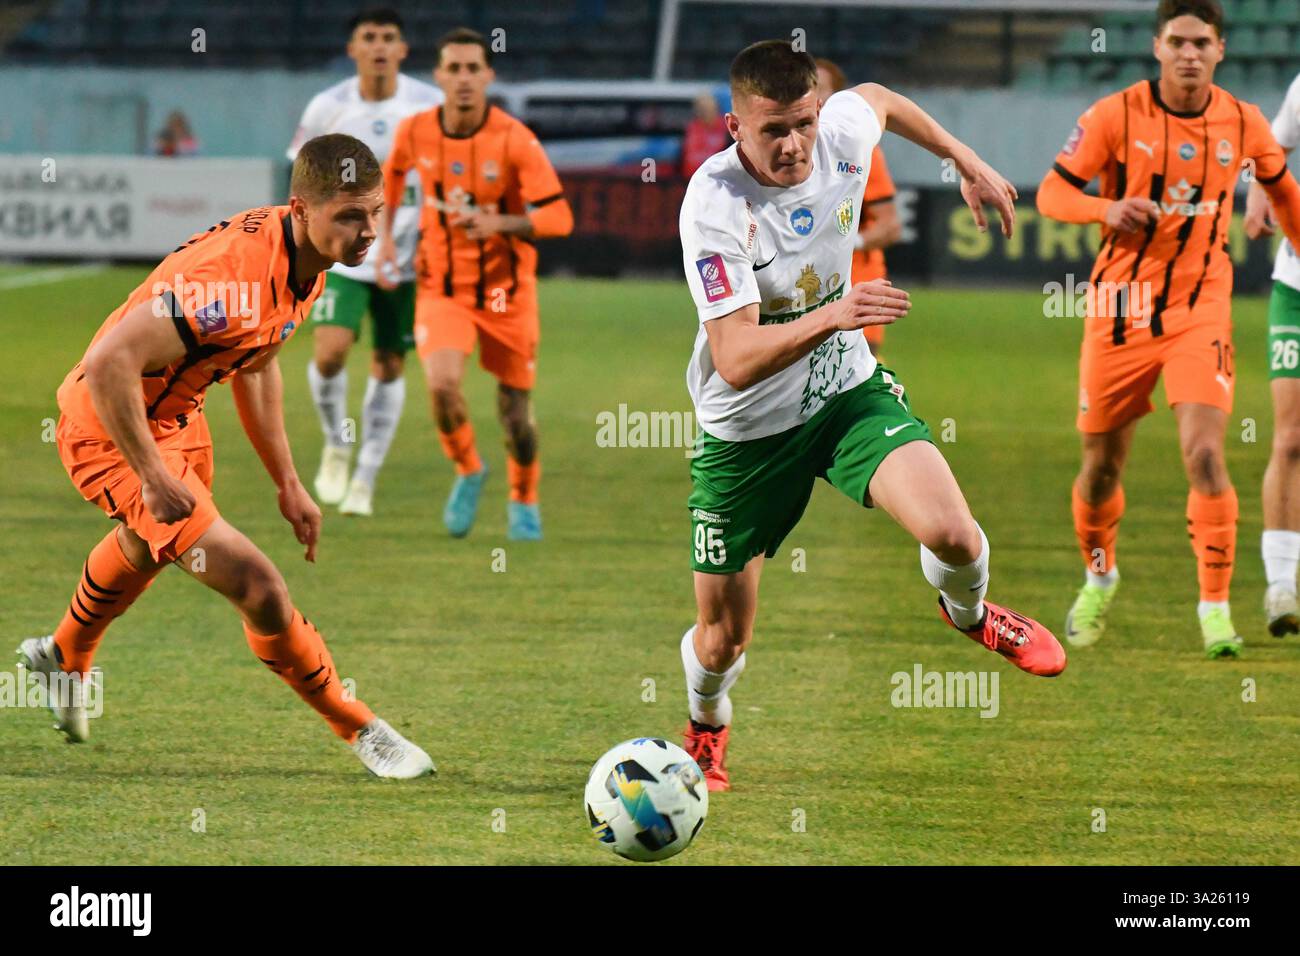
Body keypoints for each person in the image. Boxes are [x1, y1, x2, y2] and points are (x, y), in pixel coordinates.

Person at [677, 40, 1066, 792]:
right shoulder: (714, 204)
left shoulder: (843, 134)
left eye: (803, 124)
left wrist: (965, 159)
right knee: (723, 640)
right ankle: (706, 725)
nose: (793, 145)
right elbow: (733, 357)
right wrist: (838, 313)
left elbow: (882, 98)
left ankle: (972, 613)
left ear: (819, 111)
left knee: (956, 534)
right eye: (772, 131)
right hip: (747, 432)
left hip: (844, 394)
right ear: (735, 127)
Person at [19, 133, 434, 779]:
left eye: (375, 212)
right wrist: (153, 476)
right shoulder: (232, 280)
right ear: (301, 209)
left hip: (177, 421)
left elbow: (257, 365)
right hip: (109, 430)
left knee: (142, 548)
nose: (368, 231)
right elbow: (108, 363)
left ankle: (63, 657)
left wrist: (288, 483)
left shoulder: (303, 262)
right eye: (349, 215)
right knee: (259, 586)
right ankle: (361, 729)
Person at [1037, 0, 1300, 658]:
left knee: (1207, 454)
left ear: (1219, 51)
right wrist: (1105, 205)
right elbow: (1051, 193)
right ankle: (1100, 575)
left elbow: (1283, 189)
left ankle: (1215, 608)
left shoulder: (1244, 121)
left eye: (1201, 42)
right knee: (1101, 467)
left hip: (1200, 306)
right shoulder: (1113, 116)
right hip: (1119, 309)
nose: (1189, 53)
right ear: (1157, 47)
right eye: (1177, 41)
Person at [375, 27, 573, 540]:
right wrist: (388, 241)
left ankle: (523, 497)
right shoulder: (415, 131)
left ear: (489, 75)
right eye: (453, 69)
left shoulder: (513, 139)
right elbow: (391, 176)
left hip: (508, 294)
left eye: (472, 69)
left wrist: (502, 224)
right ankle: (468, 469)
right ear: (438, 76)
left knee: (514, 414)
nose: (463, 79)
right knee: (441, 387)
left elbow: (560, 218)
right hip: (443, 288)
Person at [287, 7, 442, 516]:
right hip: (342, 257)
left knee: (390, 363)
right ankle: (337, 443)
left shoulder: (429, 105)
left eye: (388, 37)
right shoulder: (327, 106)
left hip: (408, 259)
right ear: (353, 48)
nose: (379, 46)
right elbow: (302, 182)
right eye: (369, 37)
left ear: (403, 49)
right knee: (330, 352)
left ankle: (366, 478)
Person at [1245, 68, 1300, 637]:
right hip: (1296, 287)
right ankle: (1281, 584)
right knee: (1290, 436)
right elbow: (1271, 147)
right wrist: (1261, 196)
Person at [816, 57, 902, 357]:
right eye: (806, 88)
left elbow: (890, 226)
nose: (813, 96)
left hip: (858, 279)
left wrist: (851, 241)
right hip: (809, 282)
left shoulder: (863, 151)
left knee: (861, 372)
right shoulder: (790, 152)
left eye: (821, 89)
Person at [682, 92, 730, 178]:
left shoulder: (727, 128)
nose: (704, 112)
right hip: (691, 179)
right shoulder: (691, 128)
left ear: (716, 109)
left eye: (708, 109)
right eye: (701, 109)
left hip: (718, 179)